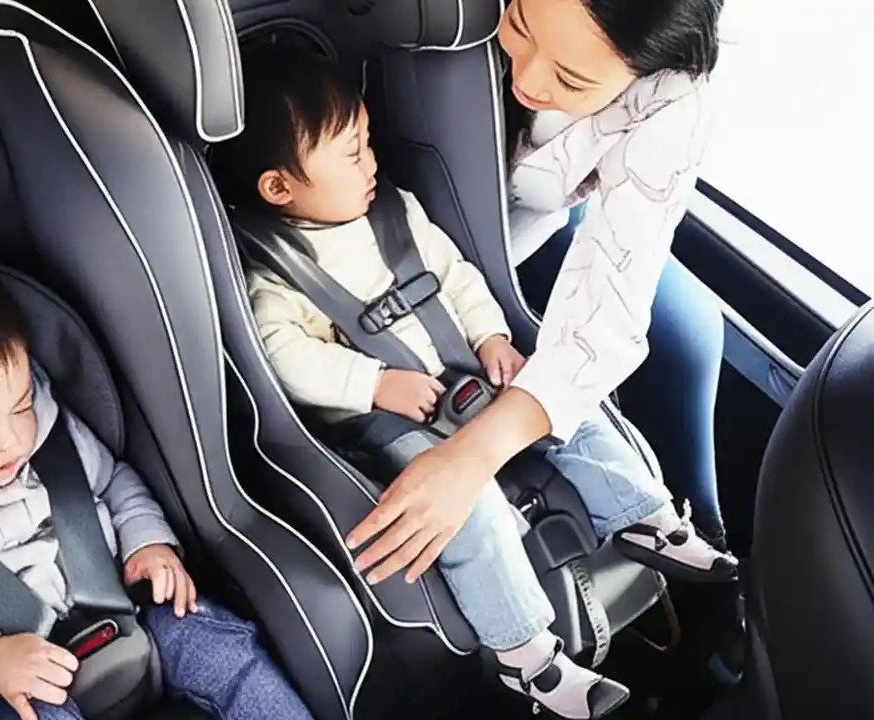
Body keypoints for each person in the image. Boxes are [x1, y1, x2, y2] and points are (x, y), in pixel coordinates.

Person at [209, 44, 735, 719]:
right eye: (351, 155)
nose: (372, 163)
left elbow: (456, 273)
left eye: (369, 142)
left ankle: (642, 515)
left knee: (570, 407)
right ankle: (529, 658)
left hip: (470, 372)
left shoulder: (393, 210)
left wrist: (489, 336)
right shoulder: (276, 270)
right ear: (280, 187)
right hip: (395, 422)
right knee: (470, 510)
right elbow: (283, 355)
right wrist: (372, 383)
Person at [0, 260, 312, 720]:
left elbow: (116, 482)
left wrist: (149, 543)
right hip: (22, 677)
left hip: (132, 615)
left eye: (20, 404)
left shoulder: (54, 444)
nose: (10, 439)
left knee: (219, 645)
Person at [502, 0, 730, 550]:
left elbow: (615, 297)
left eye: (571, 78)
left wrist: (468, 459)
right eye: (517, 26)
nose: (528, 78)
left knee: (687, 339)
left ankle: (709, 562)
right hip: (415, 222)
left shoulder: (674, 96)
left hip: (527, 227)